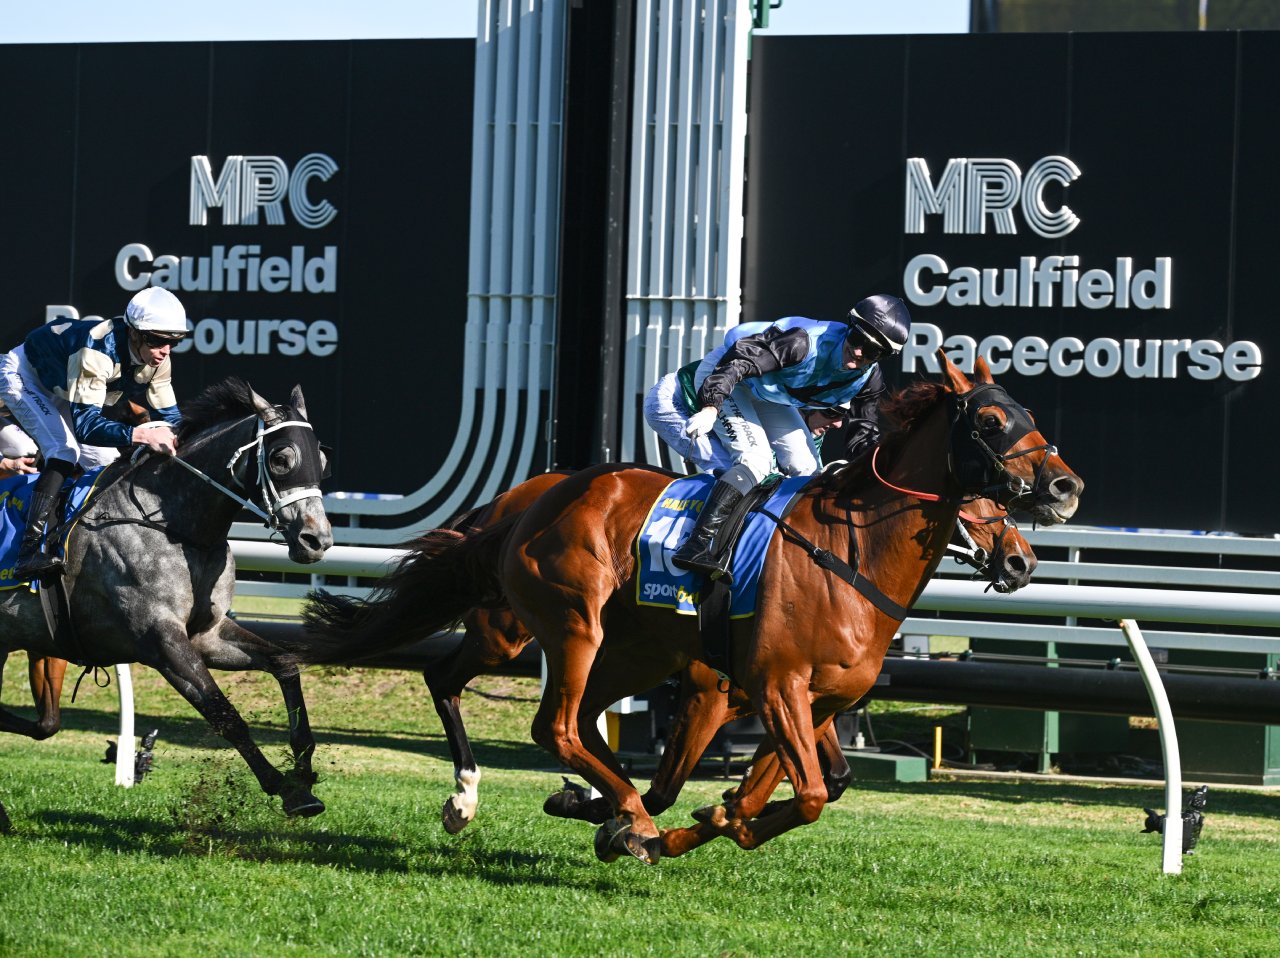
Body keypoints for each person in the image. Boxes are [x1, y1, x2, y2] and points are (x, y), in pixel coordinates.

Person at [670, 294, 911, 579]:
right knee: (755, 459)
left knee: (809, 470)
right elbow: (739, 363)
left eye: (872, 352)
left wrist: (882, 474)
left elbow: (863, 436)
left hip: (767, 390)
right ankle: (697, 545)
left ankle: (785, 549)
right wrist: (712, 404)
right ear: (849, 326)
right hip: (728, 372)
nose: (859, 354)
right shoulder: (801, 342)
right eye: (857, 340)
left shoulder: (869, 380)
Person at [0, 286, 191, 579]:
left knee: (106, 466)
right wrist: (144, 435)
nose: (165, 350)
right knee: (64, 451)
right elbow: (87, 427)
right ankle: (27, 554)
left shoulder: (159, 361)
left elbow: (171, 418)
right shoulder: (97, 349)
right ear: (134, 333)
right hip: (24, 377)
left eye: (173, 342)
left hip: (63, 386)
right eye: (157, 341)